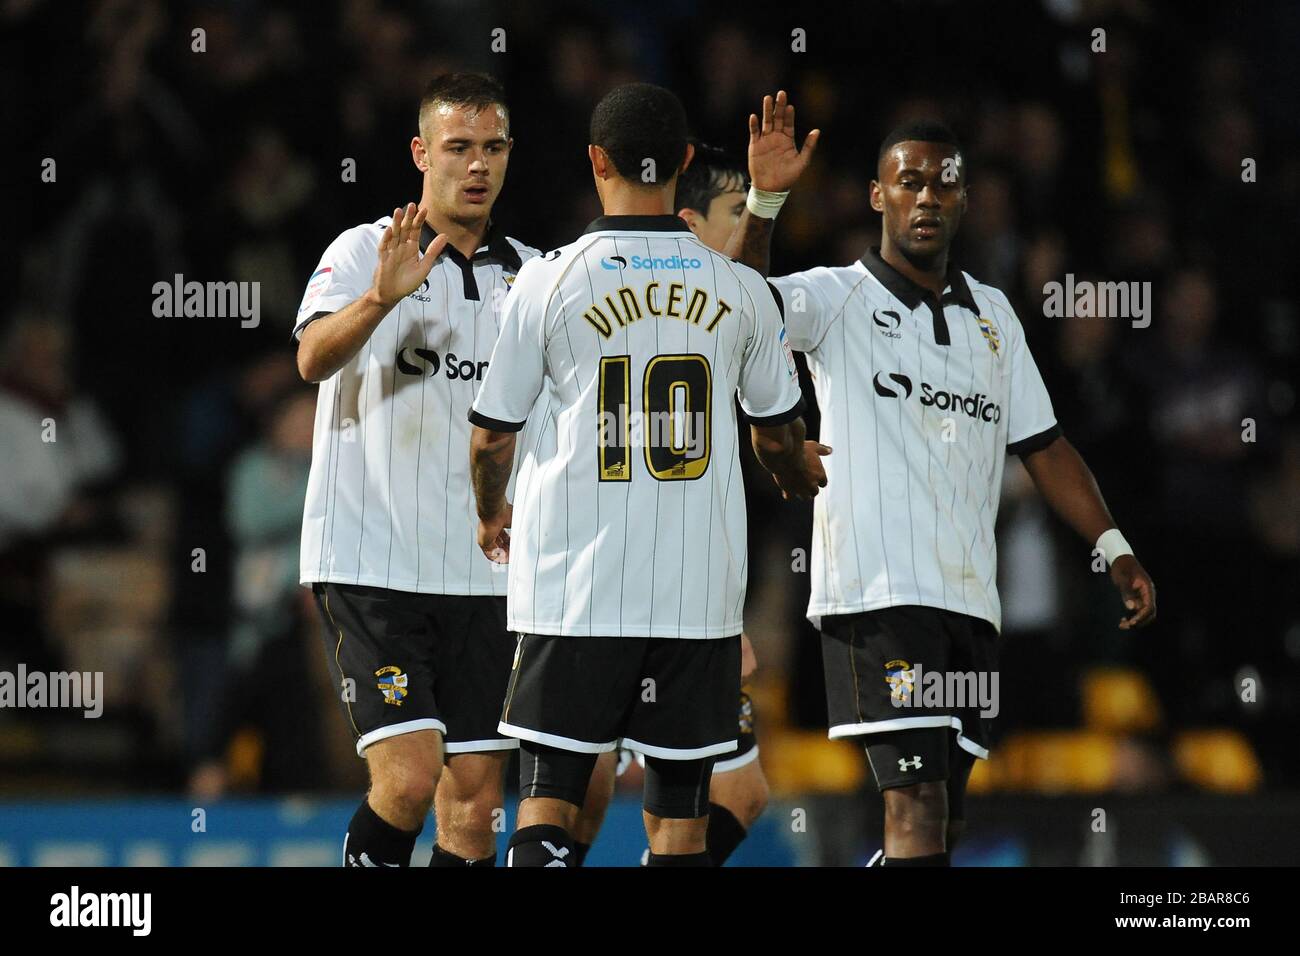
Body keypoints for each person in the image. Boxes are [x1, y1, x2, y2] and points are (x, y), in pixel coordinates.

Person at [725, 92, 1157, 865]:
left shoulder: (994, 315)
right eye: (909, 180)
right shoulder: (833, 297)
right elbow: (738, 311)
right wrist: (764, 202)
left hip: (970, 602)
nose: (926, 197)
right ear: (877, 195)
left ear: (963, 198)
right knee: (917, 809)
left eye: (943, 182)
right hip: (878, 595)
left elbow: (1047, 445)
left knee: (947, 822)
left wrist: (1113, 544)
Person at [468, 83, 826, 867]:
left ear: (596, 160)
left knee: (548, 806)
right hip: (695, 604)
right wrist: (791, 464)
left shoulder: (549, 281)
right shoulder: (737, 290)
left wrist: (491, 511)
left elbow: (493, 437)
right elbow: (775, 433)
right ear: (689, 162)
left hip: (575, 592)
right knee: (681, 830)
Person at [294, 73, 540, 867]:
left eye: (492, 148)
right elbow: (310, 359)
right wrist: (377, 301)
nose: (477, 165)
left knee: (472, 808)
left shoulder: (537, 278)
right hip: (375, 560)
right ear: (420, 153)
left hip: (489, 573)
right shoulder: (367, 249)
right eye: (458, 147)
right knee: (407, 780)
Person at [571, 145, 775, 867]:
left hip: (684, 598)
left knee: (739, 794)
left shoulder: (708, 307)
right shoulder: (681, 309)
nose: (749, 224)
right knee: (582, 795)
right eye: (738, 212)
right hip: (606, 593)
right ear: (691, 221)